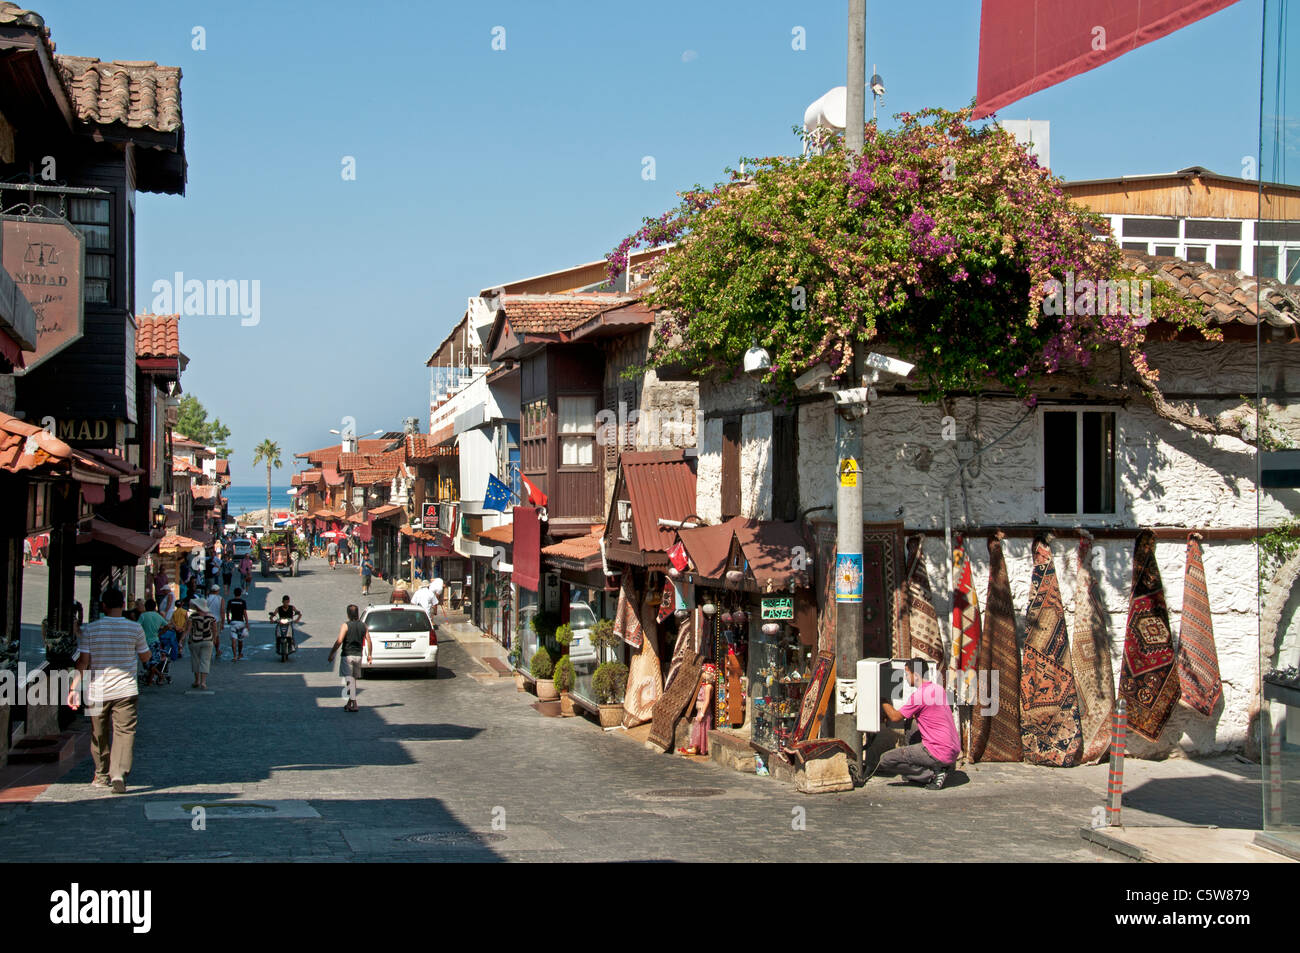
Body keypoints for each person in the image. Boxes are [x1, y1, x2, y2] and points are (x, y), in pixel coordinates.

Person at [67, 588, 151, 794]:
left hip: (97, 690)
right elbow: (146, 657)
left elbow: (83, 662)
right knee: (124, 732)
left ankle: (101, 773)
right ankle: (119, 773)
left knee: (98, 733)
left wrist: (74, 688)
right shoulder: (135, 628)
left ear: (103, 606)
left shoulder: (91, 630)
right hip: (126, 689)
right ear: (123, 605)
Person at [874, 658, 961, 790]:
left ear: (915, 675)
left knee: (886, 760)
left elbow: (895, 717)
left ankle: (931, 775)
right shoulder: (937, 689)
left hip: (938, 750)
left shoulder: (918, 696)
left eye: (907, 674)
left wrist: (882, 698)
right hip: (953, 750)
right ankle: (938, 767)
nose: (906, 678)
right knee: (911, 723)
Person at [328, 604, 372, 712]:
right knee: (353, 680)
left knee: (349, 681)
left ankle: (355, 703)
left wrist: (332, 653)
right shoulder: (364, 626)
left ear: (348, 614)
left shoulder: (345, 625)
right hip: (358, 656)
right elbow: (369, 640)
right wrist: (370, 655)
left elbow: (339, 641)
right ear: (357, 613)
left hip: (347, 655)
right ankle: (349, 704)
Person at [186, 597, 218, 690]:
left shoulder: (193, 616)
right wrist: (214, 639)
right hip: (208, 640)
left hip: (195, 640)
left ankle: (197, 681)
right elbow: (214, 629)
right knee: (205, 661)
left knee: (196, 660)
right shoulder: (211, 617)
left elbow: (188, 629)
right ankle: (203, 682)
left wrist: (182, 639)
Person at [226, 587, 249, 661]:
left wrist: (228, 619)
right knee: (240, 640)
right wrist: (247, 623)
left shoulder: (230, 601)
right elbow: (245, 613)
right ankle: (239, 654)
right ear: (240, 594)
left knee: (233, 639)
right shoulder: (243, 602)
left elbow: (227, 611)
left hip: (233, 622)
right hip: (241, 622)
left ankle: (234, 656)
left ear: (234, 593)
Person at [205, 586, 225, 660]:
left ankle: (208, 651)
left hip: (207, 619)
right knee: (216, 636)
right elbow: (222, 611)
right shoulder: (220, 599)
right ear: (218, 591)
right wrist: (223, 622)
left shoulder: (207, 598)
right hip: (217, 620)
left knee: (208, 635)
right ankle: (216, 650)